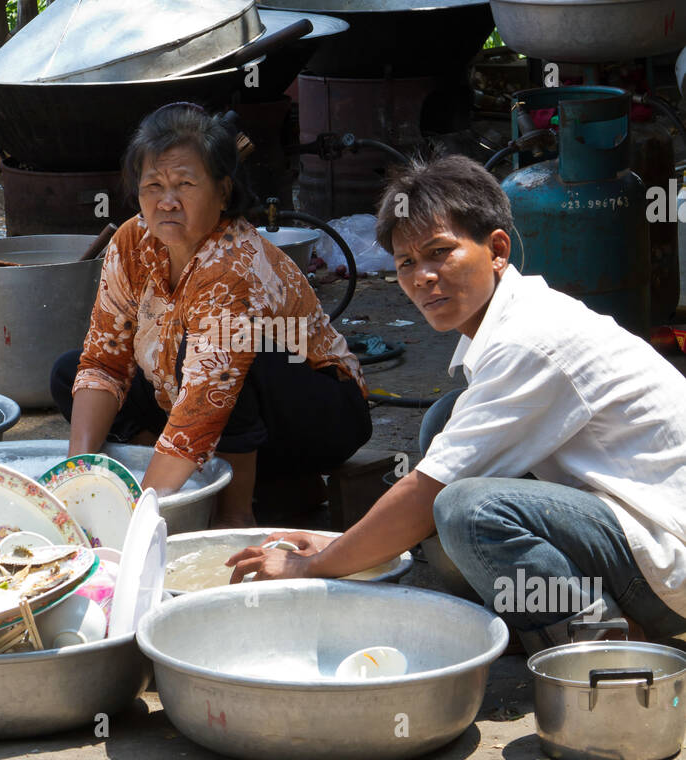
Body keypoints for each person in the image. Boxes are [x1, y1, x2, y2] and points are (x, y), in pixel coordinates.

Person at [229, 154, 686, 651]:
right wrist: (337, 546)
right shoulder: (509, 321)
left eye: (439, 252)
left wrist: (313, 565)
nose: (422, 277)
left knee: (466, 508)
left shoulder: (529, 340)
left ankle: (605, 645)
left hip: (667, 562)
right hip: (625, 520)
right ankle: (527, 615)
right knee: (446, 419)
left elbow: (429, 493)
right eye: (406, 263)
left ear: (497, 250)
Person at [50, 103, 372, 527]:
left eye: (185, 184)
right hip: (191, 398)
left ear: (223, 192)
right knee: (70, 371)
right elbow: (104, 360)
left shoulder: (232, 264)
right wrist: (74, 481)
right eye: (153, 186)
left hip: (317, 417)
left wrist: (133, 522)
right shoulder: (131, 242)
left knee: (235, 357)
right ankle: (196, 481)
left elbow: (206, 401)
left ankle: (234, 514)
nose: (167, 202)